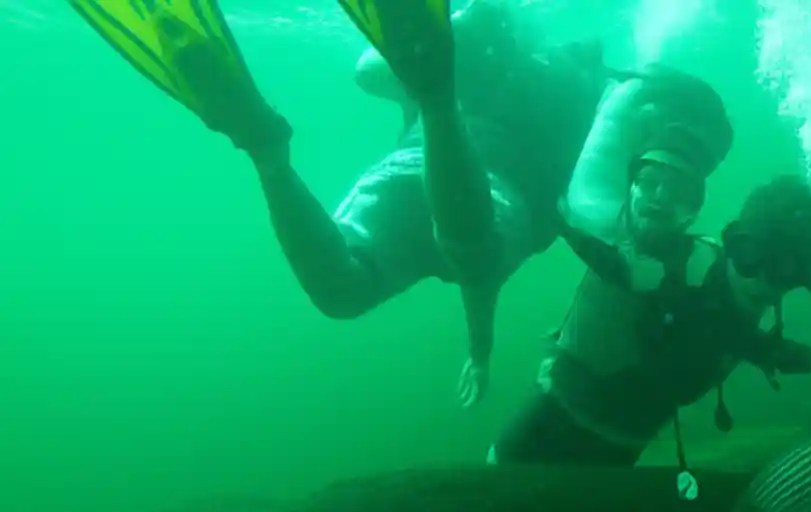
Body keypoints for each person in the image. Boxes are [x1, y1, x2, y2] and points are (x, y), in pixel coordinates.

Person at [66, 0, 716, 408]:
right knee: (474, 256)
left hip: (409, 163)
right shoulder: (582, 103)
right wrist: (481, 345)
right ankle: (401, 109)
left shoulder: (497, 59)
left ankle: (264, 146)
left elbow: (372, 75)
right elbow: (488, 263)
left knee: (344, 292)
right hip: (489, 193)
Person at [490, 173, 811, 473]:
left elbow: (738, 336)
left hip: (628, 437)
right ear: (742, 246)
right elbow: (617, 265)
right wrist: (553, 212)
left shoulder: (746, 298)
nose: (772, 283)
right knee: (500, 482)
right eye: (767, 261)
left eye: (794, 272)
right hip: (560, 414)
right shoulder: (680, 268)